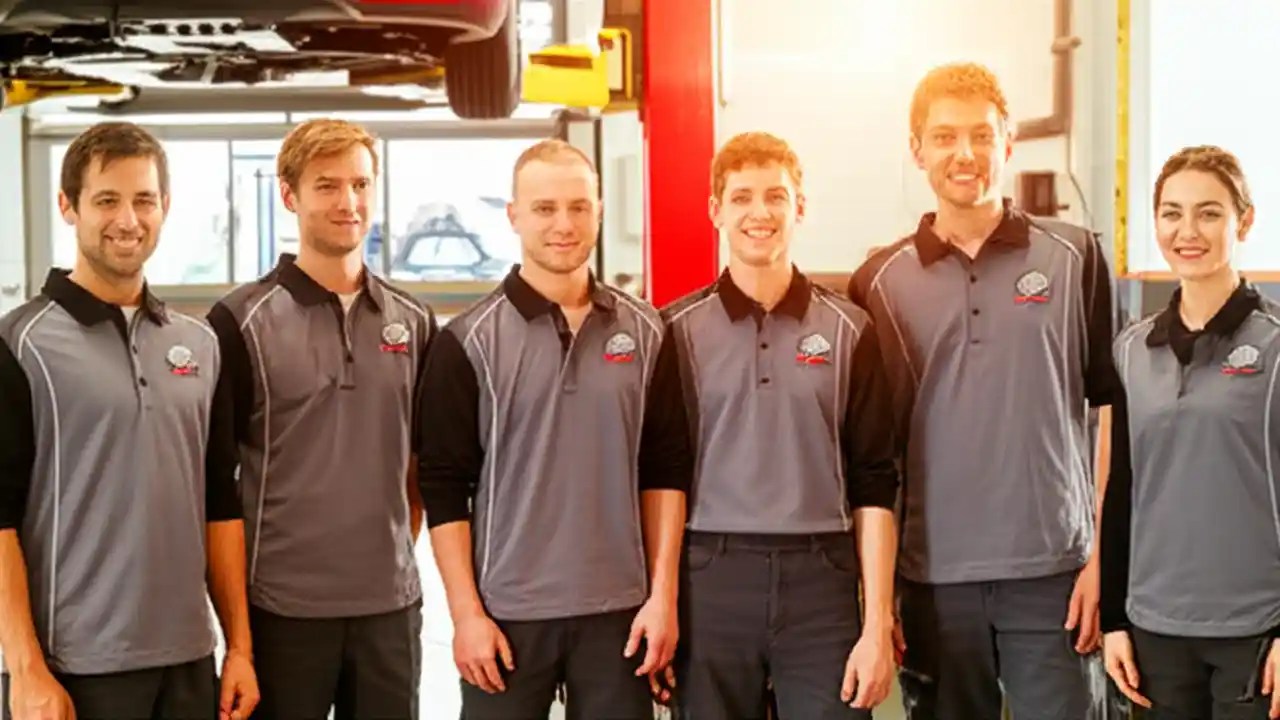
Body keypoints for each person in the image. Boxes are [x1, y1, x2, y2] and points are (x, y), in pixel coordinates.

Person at [848, 62, 1118, 719]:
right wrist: (878, 602)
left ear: (1008, 142)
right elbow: (869, 461)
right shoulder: (878, 284)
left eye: (980, 135)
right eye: (944, 138)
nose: (964, 154)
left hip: (1054, 572)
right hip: (935, 579)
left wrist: (1103, 561)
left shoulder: (1075, 257)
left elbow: (1113, 411)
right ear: (917, 150)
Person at [418, 138, 690, 719]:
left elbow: (665, 470)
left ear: (599, 210)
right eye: (544, 209)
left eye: (578, 207)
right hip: (507, 616)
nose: (563, 224)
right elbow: (444, 490)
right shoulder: (466, 342)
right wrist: (467, 615)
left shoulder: (647, 332)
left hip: (620, 615)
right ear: (513, 215)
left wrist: (662, 596)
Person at [0, 121, 258, 720]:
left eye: (144, 200)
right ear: (68, 207)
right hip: (76, 668)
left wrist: (238, 648)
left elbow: (220, 502)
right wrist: (25, 668)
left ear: (165, 206)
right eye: (106, 200)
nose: (128, 219)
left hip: (189, 660)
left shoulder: (200, 344)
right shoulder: (19, 344)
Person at [661, 131, 899, 718]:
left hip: (822, 578)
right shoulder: (675, 331)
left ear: (800, 207)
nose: (759, 213)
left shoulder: (851, 330)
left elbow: (875, 479)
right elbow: (660, 476)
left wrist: (876, 623)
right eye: (741, 197)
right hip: (710, 577)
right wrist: (661, 599)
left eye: (775, 196)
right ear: (716, 210)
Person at [207, 119, 434, 719]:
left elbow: (419, 467)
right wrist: (238, 639)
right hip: (281, 612)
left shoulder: (414, 321)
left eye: (360, 185)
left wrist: (386, 556)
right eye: (327, 186)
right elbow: (216, 494)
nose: (348, 202)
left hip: (389, 611)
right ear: (289, 195)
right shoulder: (239, 321)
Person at [1101, 145, 1280, 719]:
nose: (1188, 230)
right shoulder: (1130, 348)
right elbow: (1122, 489)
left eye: (1209, 213)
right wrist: (1113, 620)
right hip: (1154, 628)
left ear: (1243, 221)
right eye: (1172, 213)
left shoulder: (1275, 346)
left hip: (1254, 630)